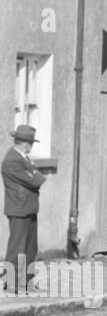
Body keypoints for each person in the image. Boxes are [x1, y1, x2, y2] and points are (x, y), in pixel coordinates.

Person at [3, 124, 45, 294]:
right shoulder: (12, 160)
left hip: (29, 207)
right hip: (19, 209)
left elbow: (36, 176)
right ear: (25, 143)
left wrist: (34, 173)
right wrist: (34, 173)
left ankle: (26, 282)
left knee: (30, 248)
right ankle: (10, 283)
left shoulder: (24, 159)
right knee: (17, 248)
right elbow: (36, 180)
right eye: (31, 143)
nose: (31, 147)